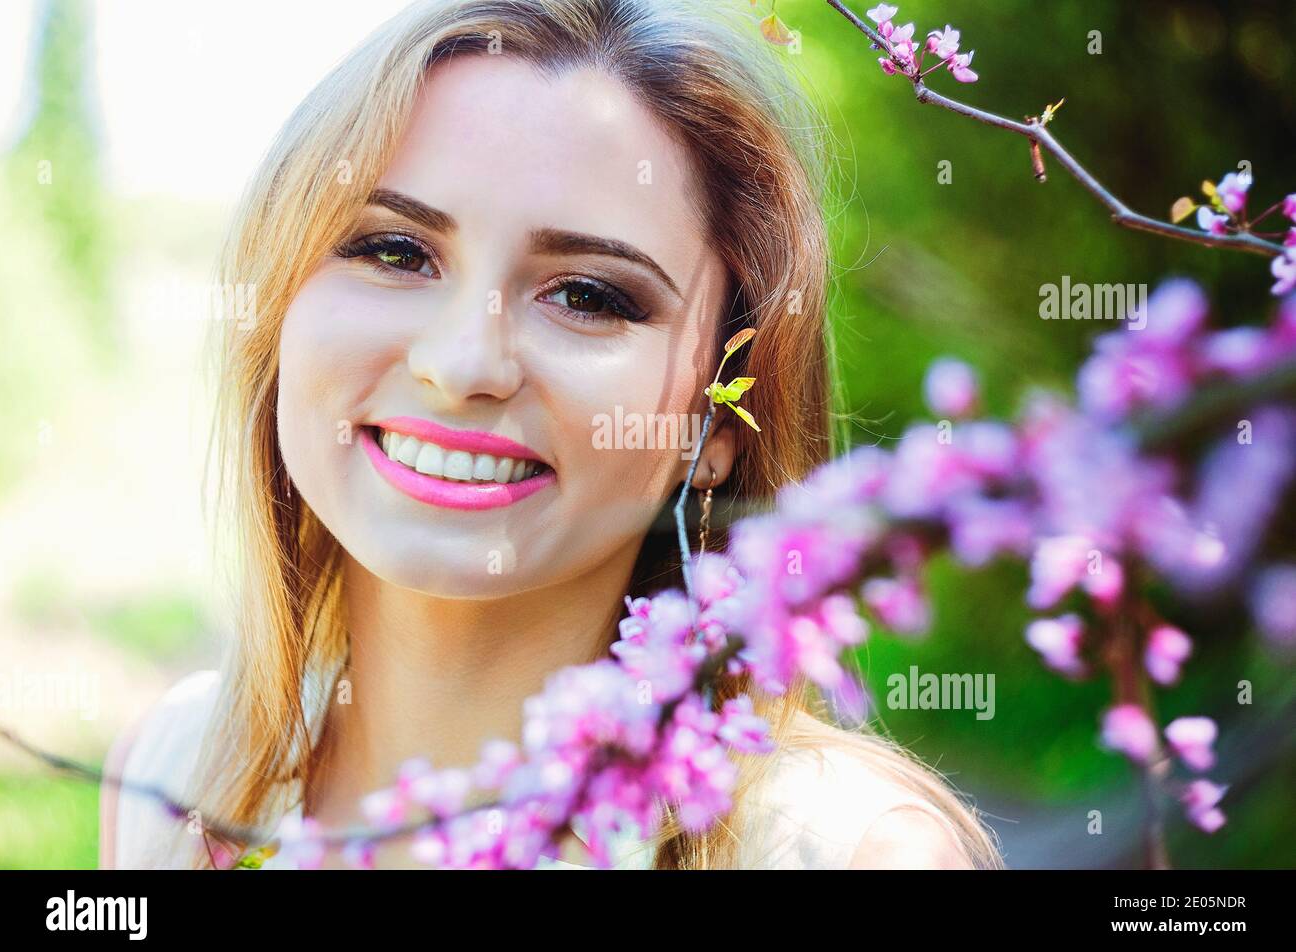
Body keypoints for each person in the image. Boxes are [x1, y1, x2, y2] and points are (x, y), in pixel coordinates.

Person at [100, 0, 1001, 870]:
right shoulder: (171, 778)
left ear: (723, 419)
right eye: (394, 251)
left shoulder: (852, 855)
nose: (462, 363)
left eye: (586, 295)